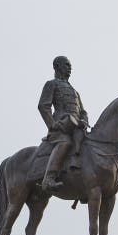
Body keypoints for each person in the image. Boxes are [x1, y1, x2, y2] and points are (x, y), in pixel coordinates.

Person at [37, 56, 89, 191]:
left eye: (70, 66)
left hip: (76, 127)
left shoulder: (75, 91)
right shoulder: (51, 84)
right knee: (65, 143)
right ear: (57, 66)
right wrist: (53, 124)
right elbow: (43, 106)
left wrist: (84, 121)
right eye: (66, 65)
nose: (69, 68)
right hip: (61, 127)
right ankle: (49, 178)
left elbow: (82, 111)